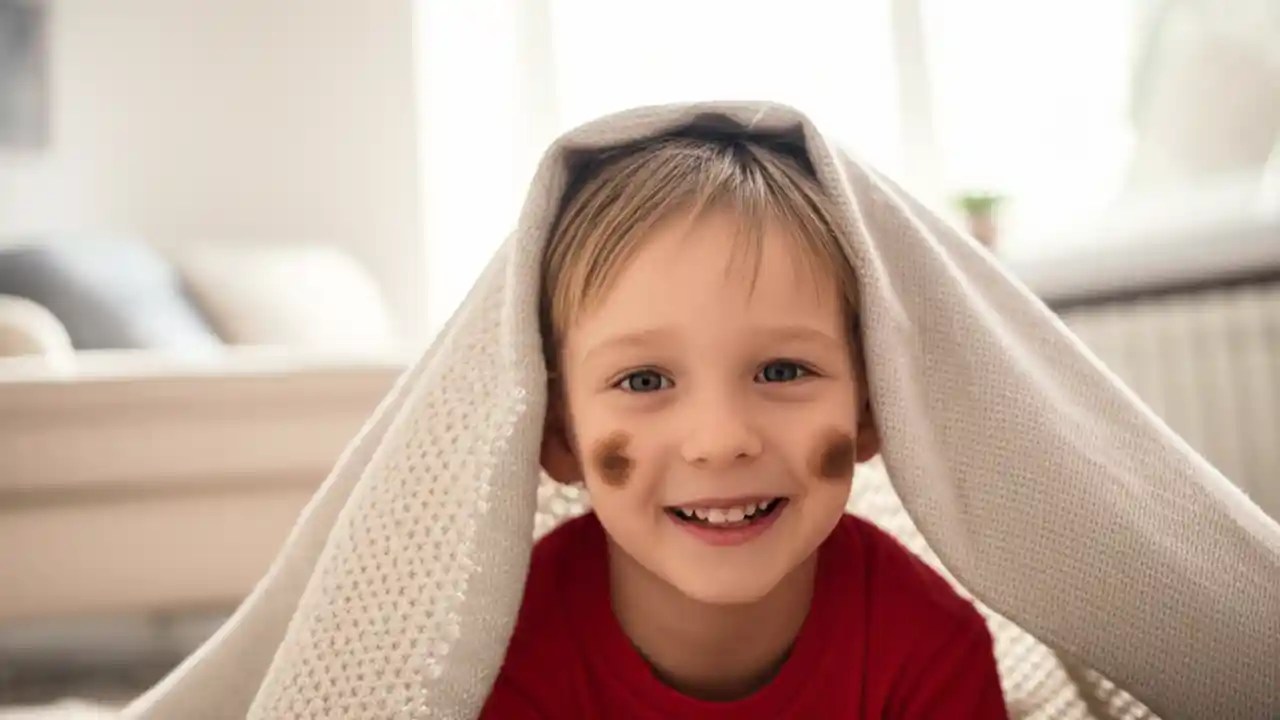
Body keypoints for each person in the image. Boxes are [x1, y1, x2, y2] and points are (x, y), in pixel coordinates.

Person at [479, 130, 1009, 717]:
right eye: (645, 381)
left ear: (870, 410)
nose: (721, 440)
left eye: (781, 370)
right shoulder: (499, 656)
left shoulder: (932, 651)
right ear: (559, 435)